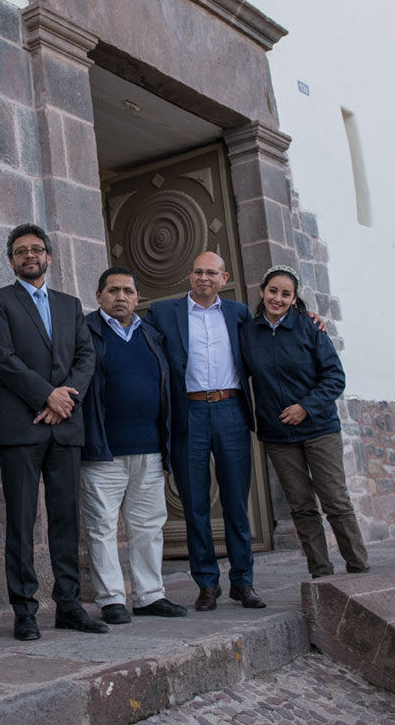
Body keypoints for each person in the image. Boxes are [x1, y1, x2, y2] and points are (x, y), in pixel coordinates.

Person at [0, 223, 106, 640]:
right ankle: (25, 611)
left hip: (65, 427)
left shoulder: (70, 304)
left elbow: (86, 357)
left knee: (66, 521)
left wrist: (64, 400)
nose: (30, 256)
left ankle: (69, 605)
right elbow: (4, 357)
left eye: (37, 249)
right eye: (21, 252)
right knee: (21, 521)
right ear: (12, 260)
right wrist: (46, 397)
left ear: (49, 257)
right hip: (21, 428)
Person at [144, 252, 264, 611]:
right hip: (189, 412)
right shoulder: (165, 312)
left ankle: (243, 583)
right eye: (198, 271)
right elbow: (136, 337)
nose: (204, 278)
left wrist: (311, 320)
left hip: (230, 409)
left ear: (224, 278)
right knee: (195, 504)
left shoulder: (238, 313)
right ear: (190, 275)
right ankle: (207, 584)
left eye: (212, 272)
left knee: (235, 504)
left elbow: (270, 332)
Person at [240, 265, 368, 579]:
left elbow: (335, 377)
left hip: (319, 428)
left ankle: (359, 567)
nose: (277, 299)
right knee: (301, 506)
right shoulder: (247, 332)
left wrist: (305, 408)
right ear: (262, 291)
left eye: (286, 294)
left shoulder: (309, 328)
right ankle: (321, 574)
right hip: (278, 435)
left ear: (295, 299)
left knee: (335, 500)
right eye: (273, 291)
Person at [80, 268, 187, 624]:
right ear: (98, 296)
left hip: (150, 449)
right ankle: (111, 599)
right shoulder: (85, 331)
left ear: (138, 298)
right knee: (102, 527)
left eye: (127, 291)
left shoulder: (153, 335)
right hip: (103, 450)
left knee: (148, 527)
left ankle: (149, 595)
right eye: (112, 291)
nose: (120, 297)